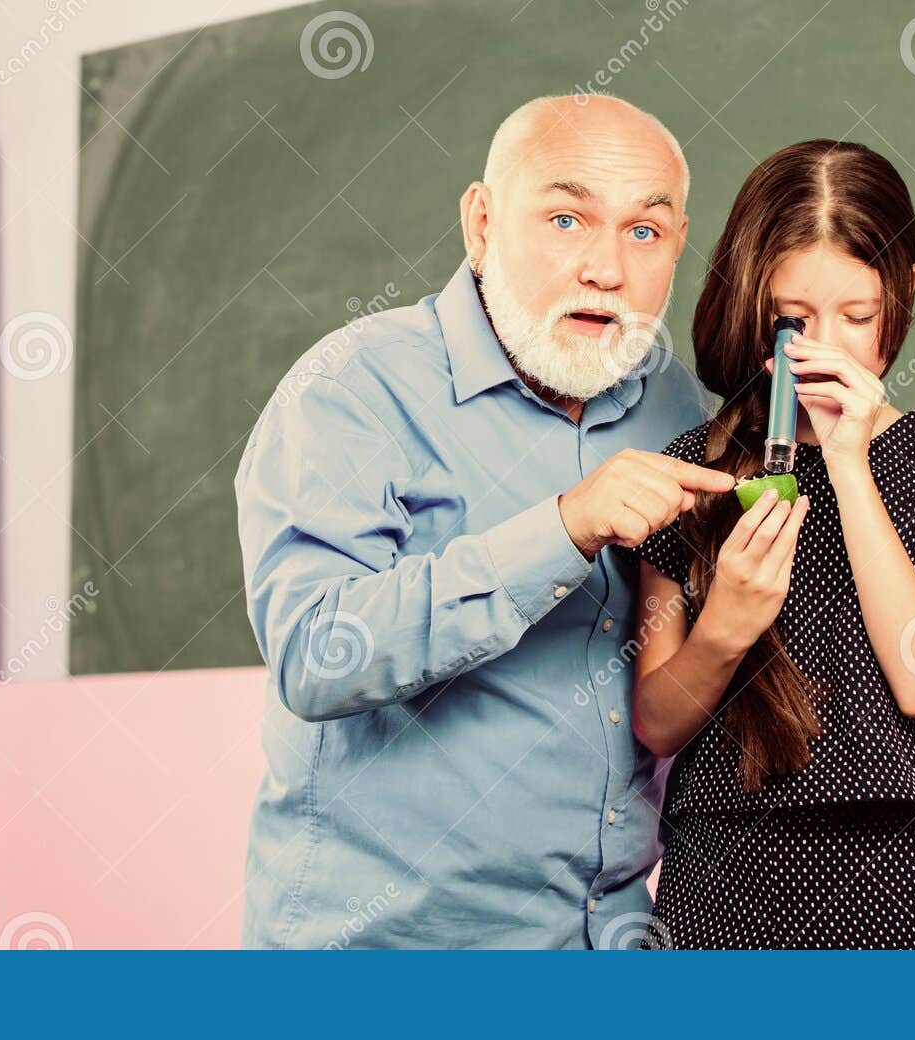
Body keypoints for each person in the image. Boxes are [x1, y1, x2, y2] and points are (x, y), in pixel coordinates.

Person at [234, 94, 728, 948]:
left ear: (678, 244)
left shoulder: (684, 411)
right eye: (567, 219)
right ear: (482, 221)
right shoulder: (352, 390)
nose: (606, 269)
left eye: (643, 232)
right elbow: (315, 656)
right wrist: (564, 529)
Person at [630, 140, 915, 949]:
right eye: (792, 322)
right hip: (723, 888)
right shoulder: (686, 475)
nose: (824, 349)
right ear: (751, 303)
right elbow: (658, 722)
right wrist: (727, 624)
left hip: (901, 886)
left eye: (859, 318)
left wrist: (849, 464)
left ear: (905, 293)